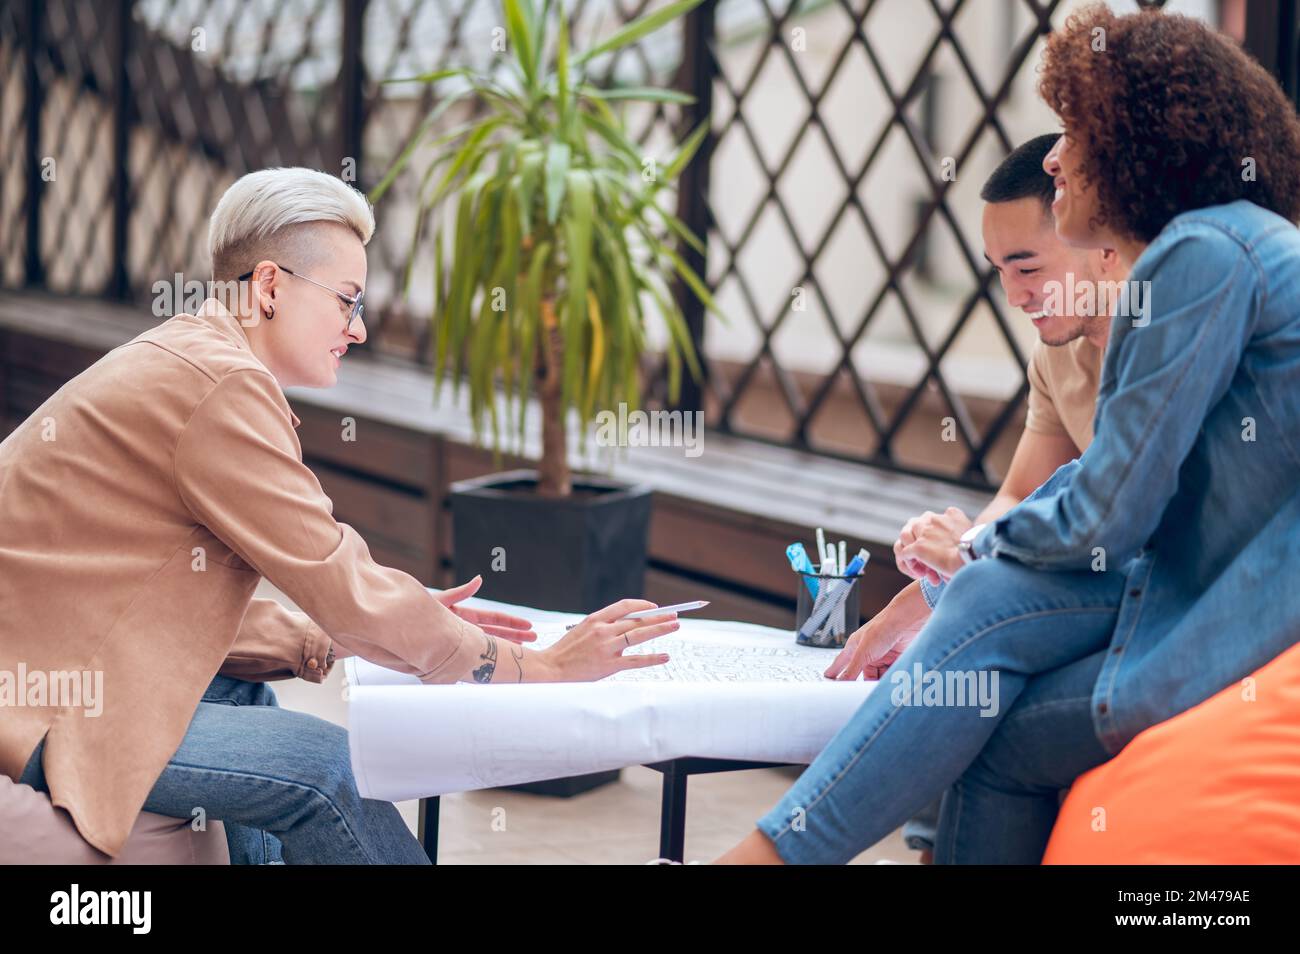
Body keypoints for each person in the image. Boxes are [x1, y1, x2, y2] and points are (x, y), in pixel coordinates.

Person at [716, 3, 1300, 864]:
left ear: (1139, 143)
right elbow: (1100, 491)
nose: (1056, 157)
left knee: (986, 613)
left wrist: (974, 560)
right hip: (1197, 590)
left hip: (1229, 614)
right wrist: (969, 564)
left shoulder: (1202, 256)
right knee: (995, 709)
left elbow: (1109, 516)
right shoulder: (1229, 247)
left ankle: (769, 858)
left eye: (1076, 130)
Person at [0, 167, 679, 864]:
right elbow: (337, 573)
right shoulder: (218, 386)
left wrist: (345, 632)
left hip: (55, 662)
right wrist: (536, 667)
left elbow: (145, 600)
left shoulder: (191, 360)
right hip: (44, 697)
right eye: (347, 302)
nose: (355, 331)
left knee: (250, 702)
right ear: (269, 287)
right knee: (330, 772)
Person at [825, 133, 1123, 861]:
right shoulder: (1057, 355)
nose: (1015, 294)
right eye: (998, 270)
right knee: (952, 657)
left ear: (1094, 239)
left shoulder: (1164, 343)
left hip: (1148, 602)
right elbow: (1021, 494)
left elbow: (1111, 523)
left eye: (1027, 265)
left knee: (971, 673)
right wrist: (936, 570)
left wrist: (963, 574)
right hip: (1083, 587)